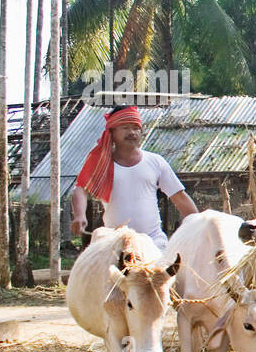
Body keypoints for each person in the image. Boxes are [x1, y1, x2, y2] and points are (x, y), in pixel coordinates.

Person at [70, 104, 198, 254]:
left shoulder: (156, 161)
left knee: (162, 276)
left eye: (136, 128)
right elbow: (81, 190)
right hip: (114, 244)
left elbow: (180, 197)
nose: (132, 132)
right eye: (125, 127)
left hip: (153, 243)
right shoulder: (101, 163)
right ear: (112, 131)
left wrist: (197, 224)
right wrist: (79, 215)